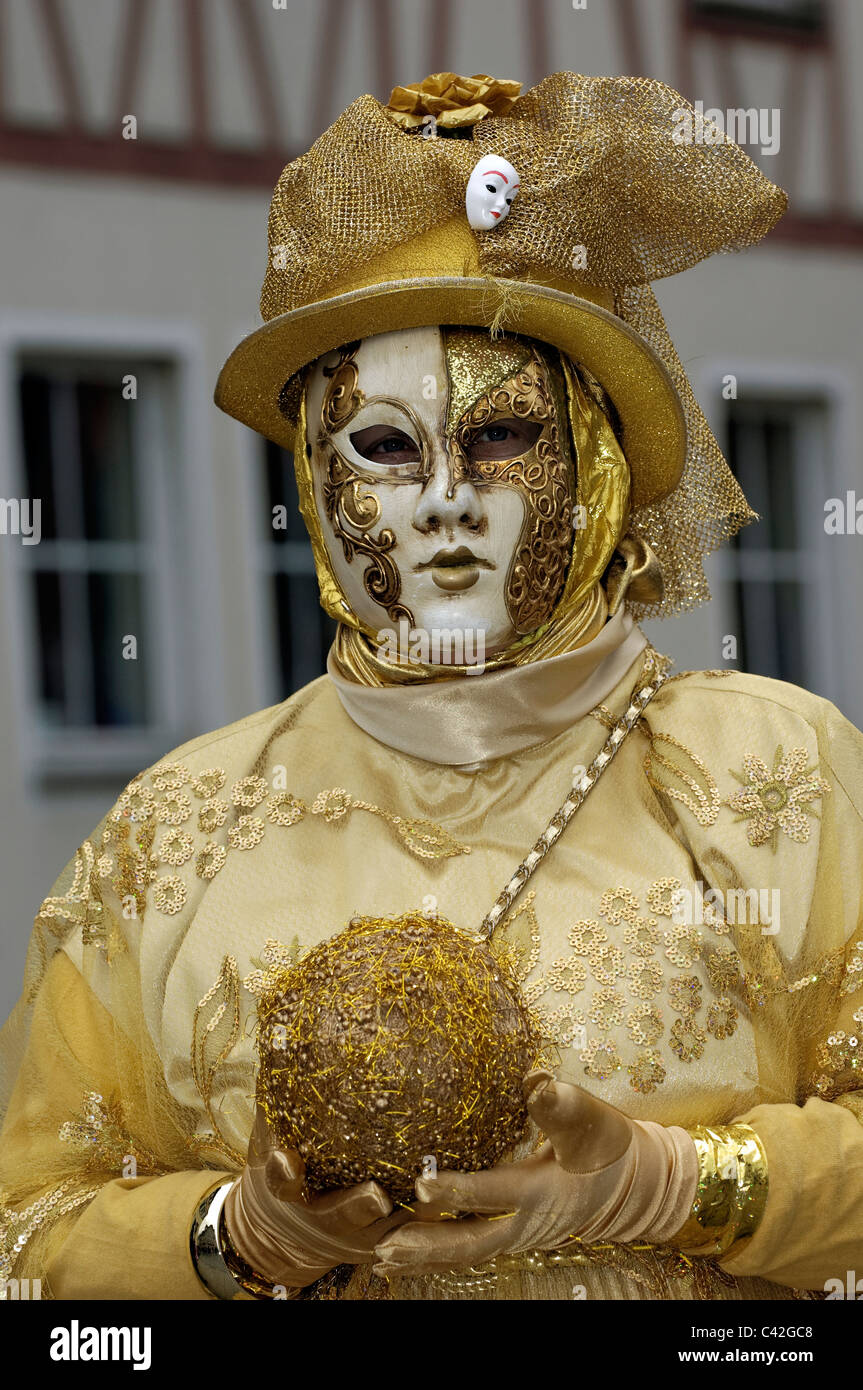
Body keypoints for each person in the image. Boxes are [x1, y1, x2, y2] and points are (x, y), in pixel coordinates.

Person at [1, 70, 861, 1303]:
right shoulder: (170, 832)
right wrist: (233, 1238)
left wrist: (693, 1184)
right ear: (312, 477)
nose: (445, 497)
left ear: (596, 460)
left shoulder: (779, 774)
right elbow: (25, 1247)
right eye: (386, 449)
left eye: (502, 436)